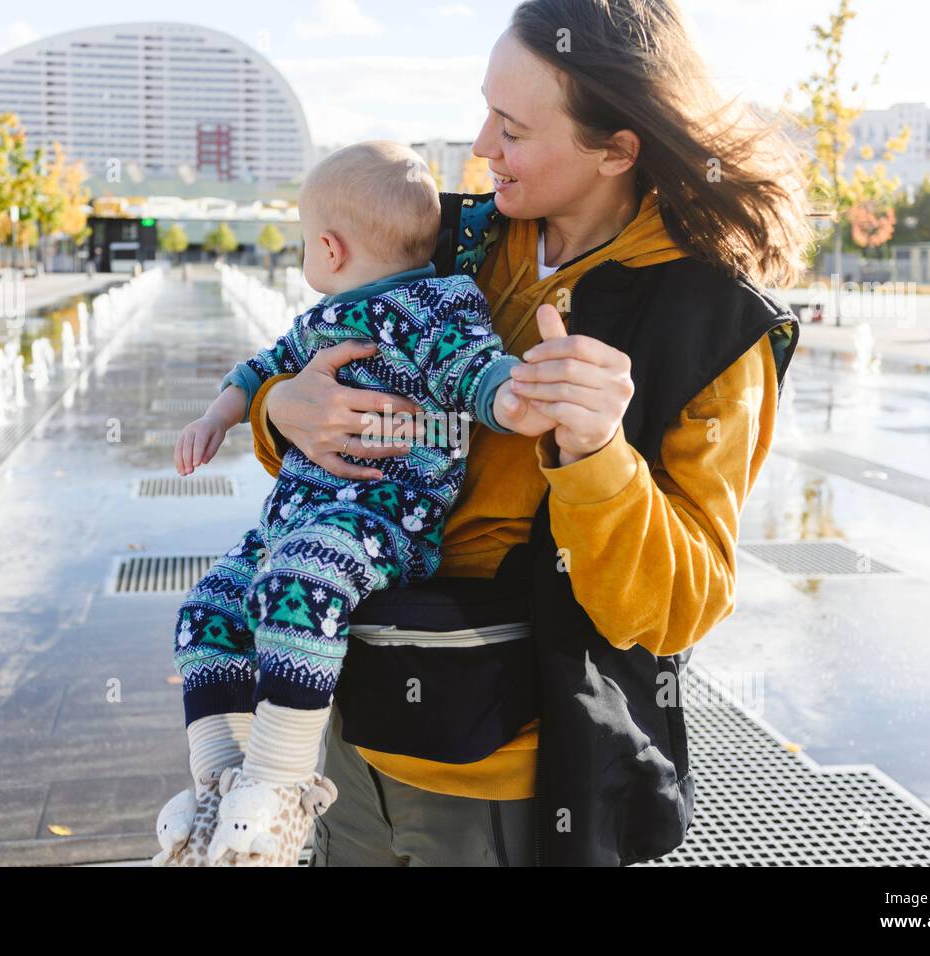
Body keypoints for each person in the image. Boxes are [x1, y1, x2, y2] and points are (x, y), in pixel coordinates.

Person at [238, 0, 812, 867]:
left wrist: (597, 459)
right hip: (336, 724)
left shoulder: (713, 324)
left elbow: (681, 602)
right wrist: (279, 410)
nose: (480, 146)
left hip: (502, 768)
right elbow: (321, 362)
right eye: (486, 111)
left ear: (618, 149)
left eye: (513, 128)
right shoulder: (442, 239)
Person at [152, 140, 555, 867]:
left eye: (306, 242)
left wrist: (518, 397)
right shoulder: (321, 322)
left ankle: (279, 788)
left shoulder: (435, 309)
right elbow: (260, 370)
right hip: (298, 521)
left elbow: (475, 370)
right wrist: (220, 416)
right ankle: (220, 783)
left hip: (382, 520)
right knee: (209, 605)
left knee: (299, 580)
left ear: (330, 249)